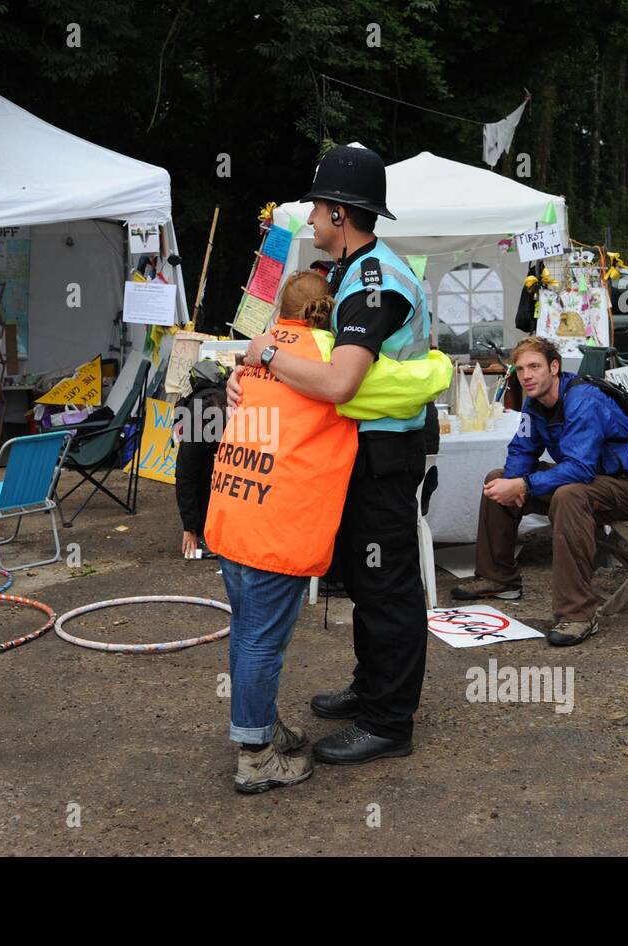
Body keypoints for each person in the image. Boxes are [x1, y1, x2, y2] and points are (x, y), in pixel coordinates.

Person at [234, 144, 437, 766]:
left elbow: (338, 383)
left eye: (317, 209)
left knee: (388, 587)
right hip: (359, 452)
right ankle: (369, 688)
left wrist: (264, 353)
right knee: (362, 577)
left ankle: (388, 722)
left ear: (339, 213)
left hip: (387, 455)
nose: (311, 220)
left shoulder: (375, 282)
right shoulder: (349, 271)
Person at [205, 270, 359, 792]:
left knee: (249, 632)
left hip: (236, 509)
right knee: (261, 643)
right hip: (279, 521)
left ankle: (261, 725)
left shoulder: (260, 350)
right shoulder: (331, 354)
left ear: (282, 312)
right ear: (328, 309)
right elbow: (366, 391)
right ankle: (255, 755)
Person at [451, 336, 628, 646]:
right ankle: (499, 578)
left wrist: (525, 484)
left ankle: (578, 615)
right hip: (586, 483)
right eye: (520, 369)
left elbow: (580, 468)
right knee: (498, 477)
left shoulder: (584, 400)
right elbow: (522, 448)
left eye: (534, 367)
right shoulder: (533, 403)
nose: (526, 376)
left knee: (568, 494)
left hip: (627, 488)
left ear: (555, 367)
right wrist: (515, 482)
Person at [174, 359, 229, 559]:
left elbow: (185, 476)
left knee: (200, 471)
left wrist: (190, 528)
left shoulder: (198, 412)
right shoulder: (232, 399)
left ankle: (213, 534)